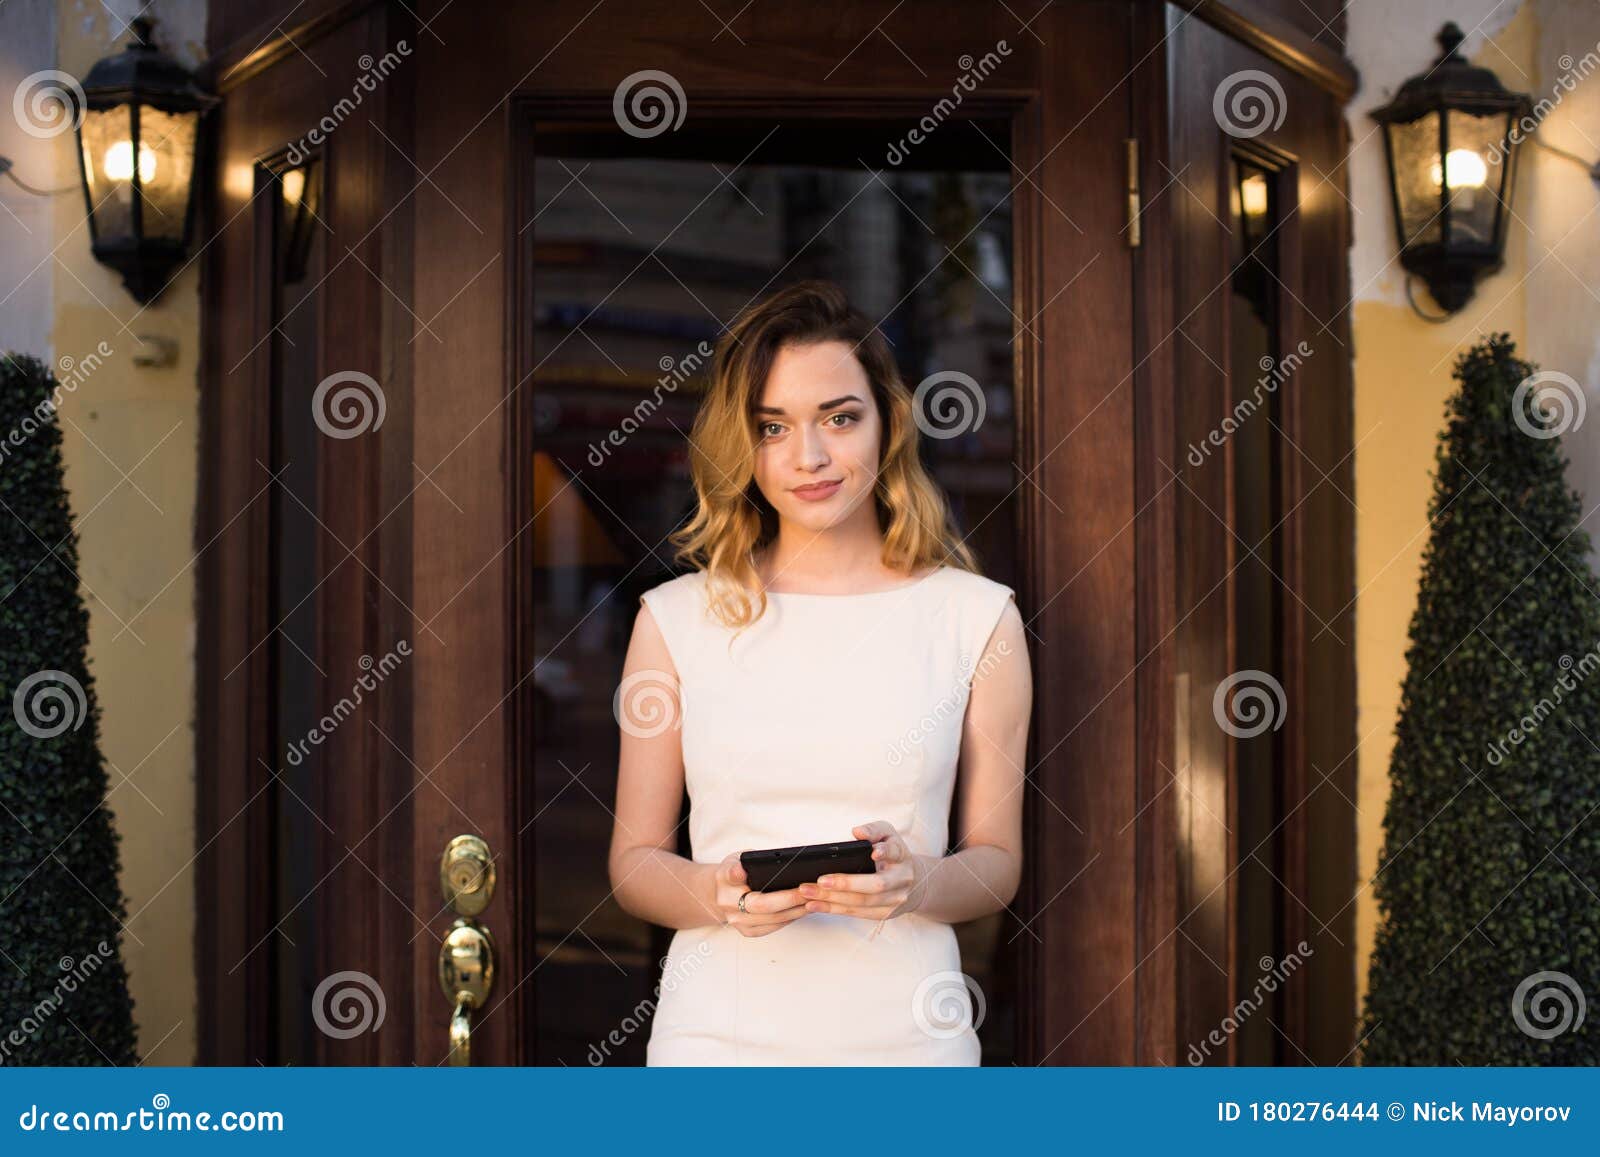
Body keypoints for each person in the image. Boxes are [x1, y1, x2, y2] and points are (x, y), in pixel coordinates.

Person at [608, 279, 1033, 1065]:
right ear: (744, 444)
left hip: (911, 1044)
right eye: (772, 427)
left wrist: (918, 883)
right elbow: (633, 865)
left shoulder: (978, 619)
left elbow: (998, 862)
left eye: (840, 417)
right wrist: (716, 893)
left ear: (888, 423)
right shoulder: (674, 619)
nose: (809, 457)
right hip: (714, 1045)